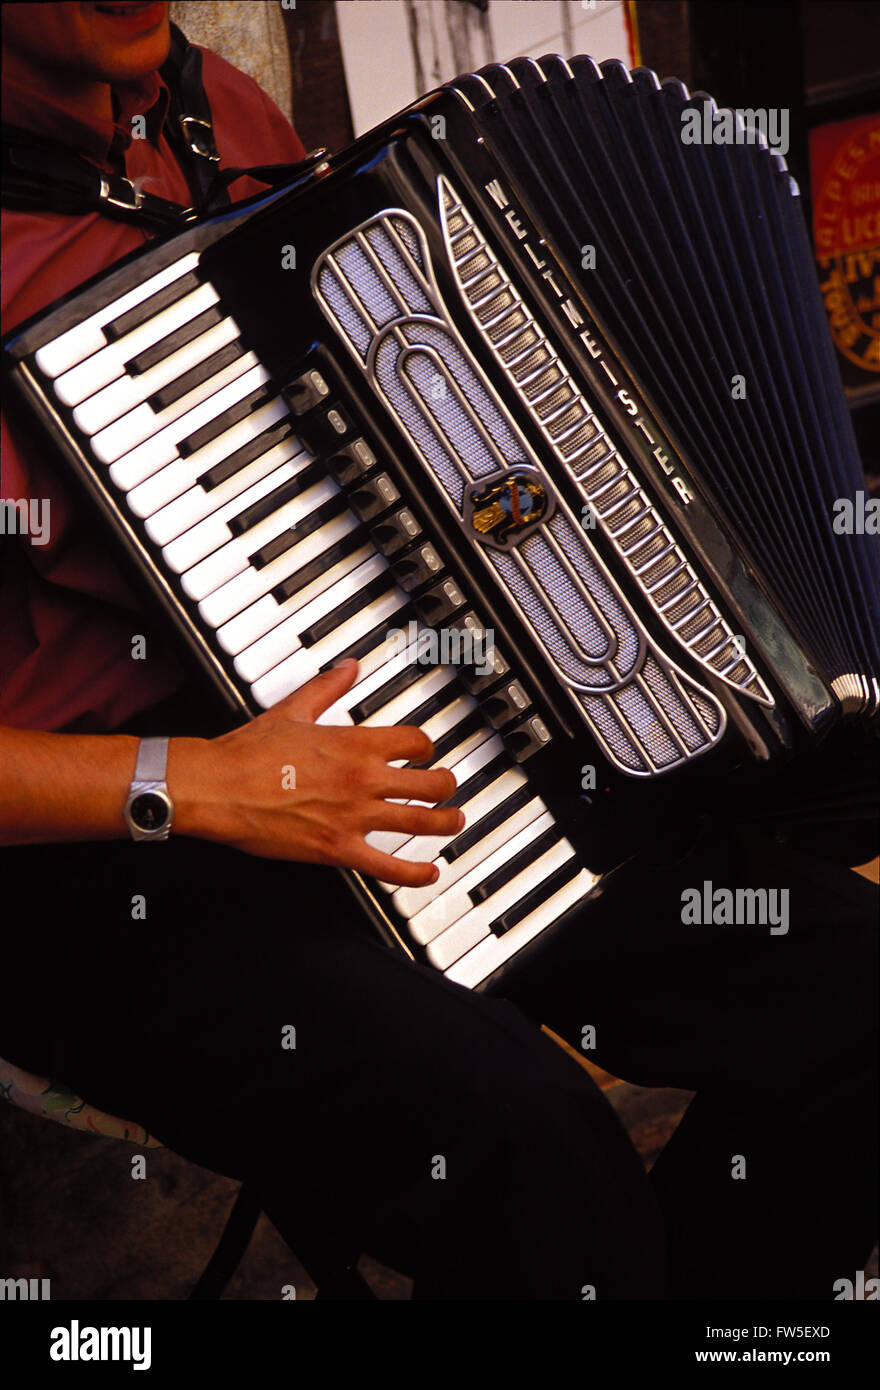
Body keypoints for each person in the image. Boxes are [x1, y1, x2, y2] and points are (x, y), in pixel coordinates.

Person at [1, 1, 875, 1301]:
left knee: (857, 999)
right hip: (116, 853)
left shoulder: (215, 116)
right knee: (526, 1144)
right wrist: (210, 782)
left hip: (379, 708)